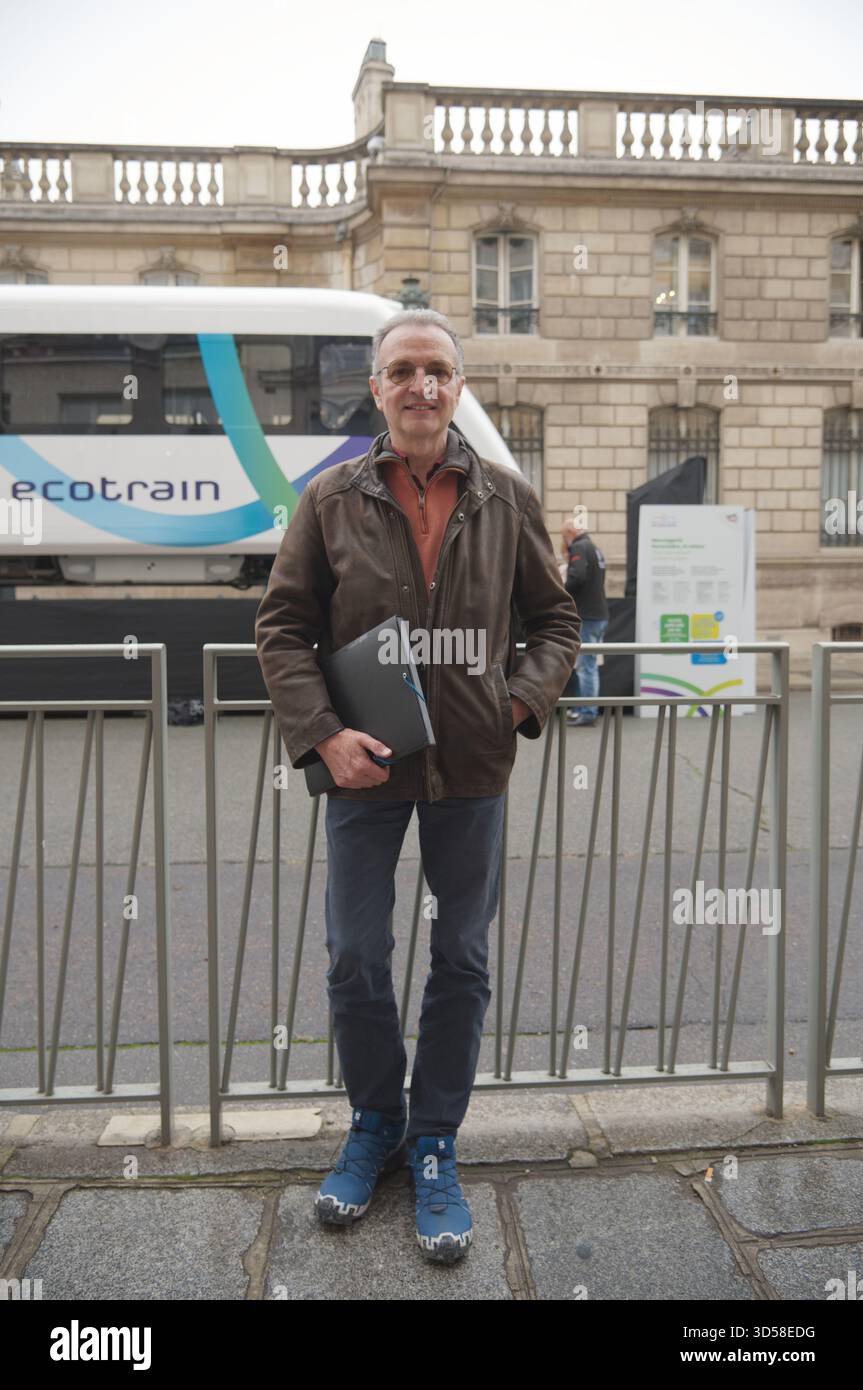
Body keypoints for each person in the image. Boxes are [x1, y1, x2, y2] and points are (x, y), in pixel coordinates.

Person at [255, 307, 580, 1265]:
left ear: (459, 386)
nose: (421, 387)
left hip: (471, 770)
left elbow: (555, 623)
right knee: (356, 954)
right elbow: (281, 627)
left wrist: (517, 706)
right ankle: (372, 1127)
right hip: (368, 768)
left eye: (437, 370)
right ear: (377, 388)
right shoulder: (329, 499)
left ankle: (433, 1141)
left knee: (464, 961)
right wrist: (322, 736)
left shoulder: (507, 498)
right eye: (403, 371)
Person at [561, 514, 608, 727]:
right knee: (588, 665)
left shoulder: (579, 548)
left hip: (587, 615)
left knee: (585, 666)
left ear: (571, 533)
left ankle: (587, 711)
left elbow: (576, 578)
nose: (564, 542)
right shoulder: (594, 547)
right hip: (599, 614)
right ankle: (583, 708)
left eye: (564, 536)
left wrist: (559, 592)